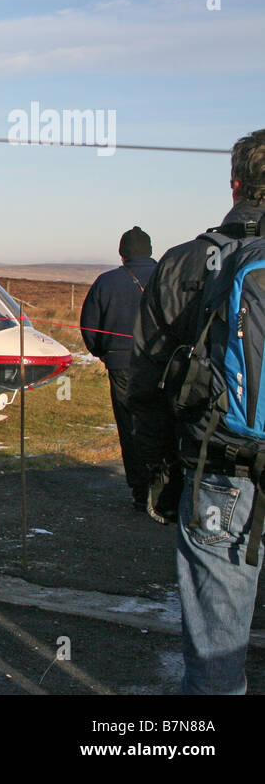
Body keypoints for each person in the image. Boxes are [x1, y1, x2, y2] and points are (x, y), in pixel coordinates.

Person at [130, 128, 265, 694]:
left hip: (221, 473)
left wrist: (156, 481)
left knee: (215, 654)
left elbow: (145, 386)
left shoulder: (184, 263)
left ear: (235, 182)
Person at [80, 226, 158, 512]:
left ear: (122, 253)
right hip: (164, 363)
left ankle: (141, 491)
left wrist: (104, 353)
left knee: (130, 426)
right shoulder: (170, 277)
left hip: (121, 363)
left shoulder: (106, 282)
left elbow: (89, 325)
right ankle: (166, 489)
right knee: (164, 422)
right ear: (150, 251)